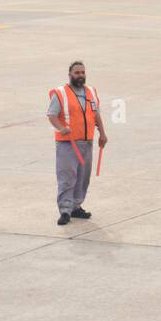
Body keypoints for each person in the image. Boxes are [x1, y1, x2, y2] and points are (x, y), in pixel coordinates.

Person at [46, 60, 108, 225]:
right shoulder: (61, 93)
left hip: (87, 142)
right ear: (70, 75)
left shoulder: (91, 92)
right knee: (67, 177)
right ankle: (65, 211)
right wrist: (61, 128)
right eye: (77, 73)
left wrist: (102, 133)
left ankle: (76, 207)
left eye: (82, 73)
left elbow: (96, 115)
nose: (80, 76)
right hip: (68, 143)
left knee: (83, 177)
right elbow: (51, 115)